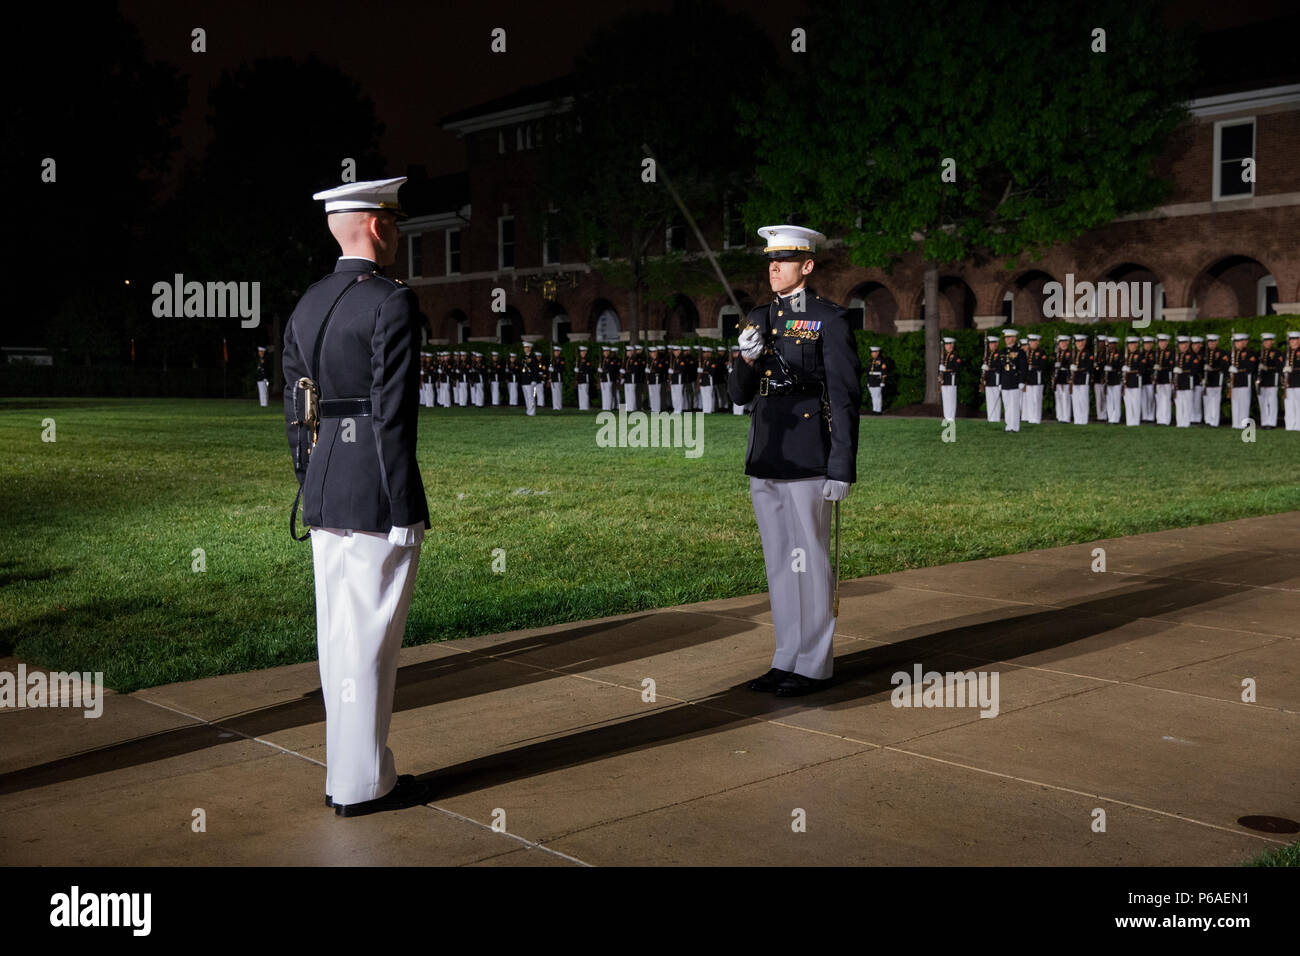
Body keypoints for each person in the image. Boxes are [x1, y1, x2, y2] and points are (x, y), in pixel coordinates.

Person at [283, 176, 428, 817]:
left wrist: (308, 480)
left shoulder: (308, 302)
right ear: (376, 225)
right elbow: (394, 417)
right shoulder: (392, 302)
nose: (397, 232)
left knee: (337, 638)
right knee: (371, 641)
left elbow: (297, 410)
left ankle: (345, 775)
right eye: (393, 221)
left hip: (324, 484)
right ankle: (364, 783)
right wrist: (404, 507)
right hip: (373, 487)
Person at [729, 225, 861, 698]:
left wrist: (842, 466)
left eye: (783, 261)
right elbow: (738, 395)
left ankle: (815, 663)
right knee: (780, 563)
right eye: (769, 261)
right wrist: (744, 361)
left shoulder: (829, 318)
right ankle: (786, 656)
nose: (773, 268)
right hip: (767, 452)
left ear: (807, 266)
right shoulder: (759, 317)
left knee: (811, 563)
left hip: (809, 456)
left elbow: (845, 398)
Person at [997, 328, 1027, 432]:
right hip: (1005, 382)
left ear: (1014, 338)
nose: (1007, 339)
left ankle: (1015, 426)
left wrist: (1022, 381)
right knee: (1007, 405)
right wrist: (999, 382)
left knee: (1014, 405)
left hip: (1015, 381)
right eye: (1006, 337)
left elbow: (1023, 368)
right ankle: (1008, 425)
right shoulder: (1002, 351)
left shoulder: (1020, 352)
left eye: (1009, 337)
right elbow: (1000, 369)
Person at [1228, 332, 1257, 428]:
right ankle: (1235, 423)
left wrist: (1238, 369)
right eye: (1236, 342)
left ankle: (1243, 424)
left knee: (1244, 403)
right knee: (1235, 403)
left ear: (1245, 342)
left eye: (1239, 342)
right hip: (1234, 381)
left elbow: (1251, 367)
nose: (1237, 344)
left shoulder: (1249, 353)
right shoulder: (1232, 353)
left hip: (1244, 380)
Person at [1202, 333, 1226, 426]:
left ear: (1217, 342)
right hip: (1206, 381)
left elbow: (1224, 366)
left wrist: (1212, 368)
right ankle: (1207, 420)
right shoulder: (1204, 353)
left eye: (1213, 342)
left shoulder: (1221, 353)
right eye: (1209, 342)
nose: (1211, 344)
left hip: (1216, 380)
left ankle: (1214, 421)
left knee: (1215, 402)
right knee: (1207, 401)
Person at [1257, 331, 1281, 428]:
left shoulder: (1277, 352)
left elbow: (1279, 366)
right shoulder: (1260, 352)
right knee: (1263, 402)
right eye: (1265, 341)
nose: (1266, 343)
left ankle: (1271, 422)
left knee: (1272, 402)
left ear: (1272, 342)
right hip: (1261, 380)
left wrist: (1267, 367)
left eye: (1268, 341)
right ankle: (1264, 422)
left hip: (1272, 379)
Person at [1023, 333, 1047, 424]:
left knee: (1036, 399)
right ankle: (1030, 417)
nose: (1032, 343)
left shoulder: (1041, 352)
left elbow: (1043, 365)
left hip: (1037, 379)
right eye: (1031, 341)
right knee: (1029, 399)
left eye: (1034, 341)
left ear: (1038, 342)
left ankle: (1036, 418)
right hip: (1029, 379)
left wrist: (1032, 367)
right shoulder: (1027, 352)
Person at [1069, 333, 1092, 425]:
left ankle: (1084, 419)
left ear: (1085, 342)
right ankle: (1077, 419)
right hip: (1074, 379)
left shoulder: (1088, 353)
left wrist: (1078, 368)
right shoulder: (1073, 353)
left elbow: (1089, 367)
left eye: (1081, 341)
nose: (1080, 344)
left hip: (1083, 379)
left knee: (1083, 399)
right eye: (1078, 342)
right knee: (1075, 400)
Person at [1121, 335, 1143, 426]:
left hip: (1135, 382)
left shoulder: (1140, 356)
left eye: (1133, 344)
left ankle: (1136, 421)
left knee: (1135, 403)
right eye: (1130, 344)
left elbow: (1142, 369)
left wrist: (1130, 370)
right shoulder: (1126, 356)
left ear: (1137, 344)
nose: (1131, 346)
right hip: (1127, 382)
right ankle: (1129, 422)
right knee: (1128, 403)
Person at [939, 337, 961, 421]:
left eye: (949, 344)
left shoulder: (955, 355)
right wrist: (939, 375)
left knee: (951, 398)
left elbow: (957, 367)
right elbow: (940, 366)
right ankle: (946, 416)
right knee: (945, 399)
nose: (948, 346)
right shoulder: (943, 355)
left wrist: (947, 368)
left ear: (952, 345)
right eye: (947, 344)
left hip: (951, 378)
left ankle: (951, 416)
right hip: (944, 379)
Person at [1051, 334, 1072, 423]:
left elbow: (1071, 364)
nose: (1062, 344)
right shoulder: (1055, 354)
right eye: (1061, 342)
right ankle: (1059, 416)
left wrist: (1062, 365)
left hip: (1065, 377)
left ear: (1067, 342)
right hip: (1057, 378)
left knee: (1065, 398)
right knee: (1058, 398)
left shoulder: (1070, 353)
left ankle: (1066, 417)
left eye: (1064, 342)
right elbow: (1051, 366)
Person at [981, 335, 1001, 422]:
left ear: (997, 344)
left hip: (995, 378)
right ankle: (990, 417)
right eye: (990, 343)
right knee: (989, 399)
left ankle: (996, 418)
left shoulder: (999, 354)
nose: (992, 345)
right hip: (988, 379)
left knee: (996, 399)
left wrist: (989, 368)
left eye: (993, 343)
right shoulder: (987, 354)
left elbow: (999, 366)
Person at [1283, 330, 1300, 431]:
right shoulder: (1287, 352)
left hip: (1299, 382)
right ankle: (1289, 426)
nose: (1292, 342)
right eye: (1291, 340)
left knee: (1299, 404)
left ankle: (1298, 426)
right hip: (1288, 382)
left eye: (1295, 340)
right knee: (1289, 405)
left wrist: (1293, 369)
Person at [865, 345, 888, 414]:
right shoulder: (870, 361)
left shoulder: (881, 361)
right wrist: (868, 382)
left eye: (874, 352)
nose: (873, 354)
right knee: (873, 396)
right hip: (871, 380)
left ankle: (878, 410)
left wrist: (882, 381)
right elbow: (868, 372)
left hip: (878, 380)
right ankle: (874, 409)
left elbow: (883, 372)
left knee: (878, 396)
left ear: (878, 353)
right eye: (872, 352)